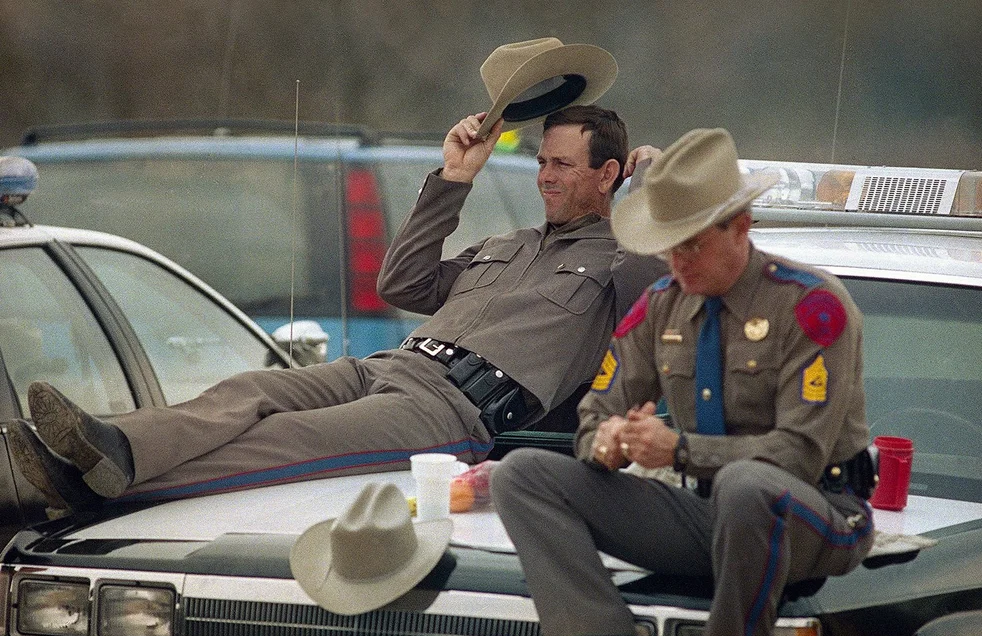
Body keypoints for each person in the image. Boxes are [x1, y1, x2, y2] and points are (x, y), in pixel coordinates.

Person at [7, 103, 669, 514]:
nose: (545, 176)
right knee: (253, 388)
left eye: (563, 165)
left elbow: (652, 296)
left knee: (282, 441)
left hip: (449, 411)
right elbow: (404, 284)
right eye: (542, 162)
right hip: (387, 366)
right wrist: (453, 179)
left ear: (608, 174)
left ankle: (86, 487)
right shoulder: (511, 242)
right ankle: (117, 446)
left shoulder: (619, 260)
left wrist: (649, 197)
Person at [492, 128, 877, 636]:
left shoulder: (811, 307)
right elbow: (597, 410)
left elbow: (798, 454)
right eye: (668, 246)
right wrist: (604, 441)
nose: (678, 262)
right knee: (522, 474)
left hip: (818, 517)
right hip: (707, 516)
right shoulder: (661, 305)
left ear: (741, 228)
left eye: (693, 243)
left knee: (747, 487)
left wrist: (678, 450)